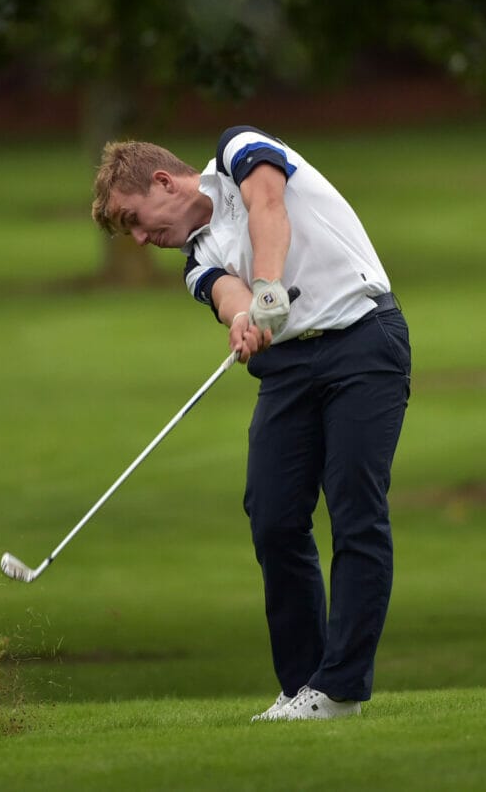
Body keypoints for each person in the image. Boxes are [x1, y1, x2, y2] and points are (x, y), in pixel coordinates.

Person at [91, 126, 411, 721]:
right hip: (289, 368)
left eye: (134, 219)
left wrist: (267, 290)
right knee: (272, 515)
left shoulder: (239, 152)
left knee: (354, 509)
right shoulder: (196, 258)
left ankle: (340, 690)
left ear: (163, 182)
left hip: (363, 343)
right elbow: (227, 295)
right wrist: (245, 317)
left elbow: (269, 208)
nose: (138, 239)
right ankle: (302, 688)